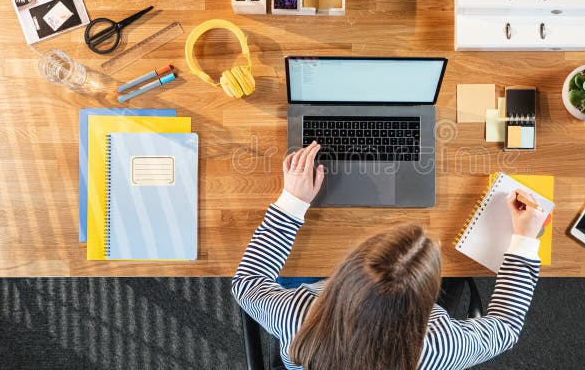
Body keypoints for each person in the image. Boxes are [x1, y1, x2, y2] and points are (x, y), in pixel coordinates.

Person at [233, 142, 544, 370]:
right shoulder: (439, 347)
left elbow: (246, 284)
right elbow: (505, 329)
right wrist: (525, 239)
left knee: (294, 271)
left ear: (344, 275)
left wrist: (292, 201)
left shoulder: (299, 317)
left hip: (313, 354)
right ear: (427, 302)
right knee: (461, 278)